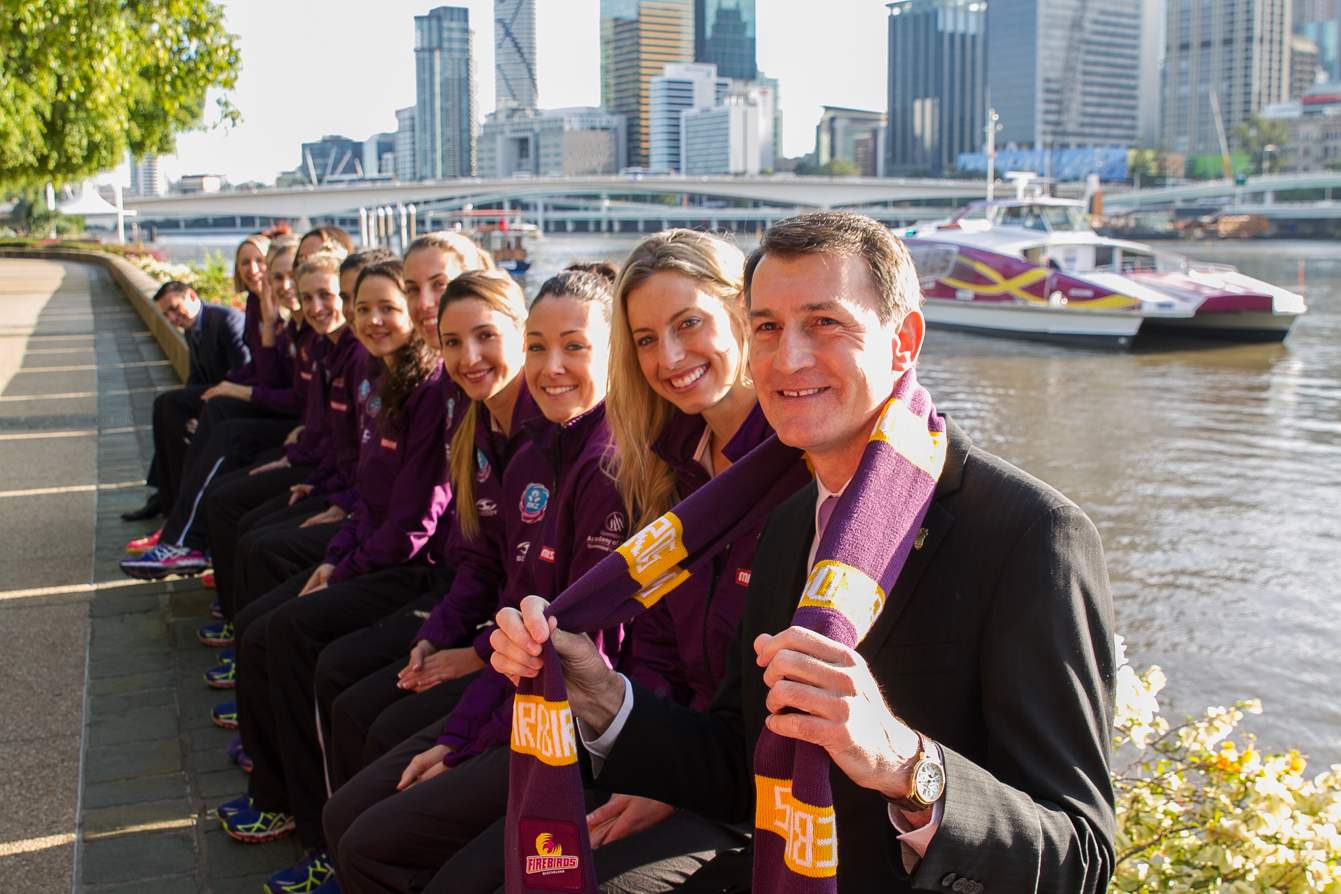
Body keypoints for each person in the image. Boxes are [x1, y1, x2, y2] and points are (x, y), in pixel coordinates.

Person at [490, 211, 1117, 893]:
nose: (787, 359)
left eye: (824, 323)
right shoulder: (788, 523)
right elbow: (738, 764)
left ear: (902, 340)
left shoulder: (1030, 535)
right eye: (766, 328)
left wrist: (905, 765)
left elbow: (1079, 856)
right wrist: (602, 696)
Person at [323, 267, 628, 894]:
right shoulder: (524, 446)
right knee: (352, 798)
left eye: (574, 346)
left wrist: (465, 736)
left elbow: (574, 652)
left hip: (575, 722)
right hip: (517, 682)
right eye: (542, 347)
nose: (551, 366)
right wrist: (448, 651)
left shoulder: (608, 464)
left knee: (376, 834)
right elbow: (494, 574)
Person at [258, 268, 540, 894]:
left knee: (357, 700)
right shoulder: (472, 428)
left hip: (521, 667)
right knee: (328, 673)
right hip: (481, 631)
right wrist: (441, 639)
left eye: (486, 337)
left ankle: (344, 854)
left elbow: (426, 532)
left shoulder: (549, 441)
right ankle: (332, 847)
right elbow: (481, 562)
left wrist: (470, 656)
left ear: (524, 334)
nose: (469, 358)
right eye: (453, 341)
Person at [216, 257, 459, 853]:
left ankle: (310, 827)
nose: (373, 320)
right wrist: (339, 554)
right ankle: (280, 789)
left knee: (295, 638)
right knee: (258, 625)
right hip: (375, 550)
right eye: (363, 309)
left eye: (388, 308)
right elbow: (368, 490)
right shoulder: (380, 378)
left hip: (413, 573)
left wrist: (343, 564)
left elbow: (414, 522)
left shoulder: (429, 389)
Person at [124, 234, 269, 525]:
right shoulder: (194, 327)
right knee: (169, 413)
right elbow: (194, 376)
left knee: (169, 406)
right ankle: (167, 495)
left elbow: (245, 367)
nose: (173, 318)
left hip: (240, 391)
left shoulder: (226, 319)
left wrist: (209, 395)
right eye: (167, 315)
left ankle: (172, 498)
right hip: (217, 391)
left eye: (175, 309)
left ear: (192, 296)